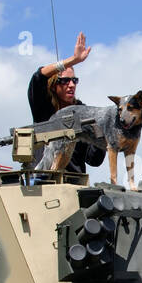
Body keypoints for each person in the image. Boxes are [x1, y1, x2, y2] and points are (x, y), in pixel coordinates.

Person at [27, 30, 107, 175]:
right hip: (43, 182)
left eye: (74, 80)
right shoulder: (44, 108)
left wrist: (102, 131)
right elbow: (38, 77)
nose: (71, 85)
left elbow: (94, 160)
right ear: (53, 85)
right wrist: (73, 60)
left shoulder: (83, 113)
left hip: (73, 186)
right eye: (64, 81)